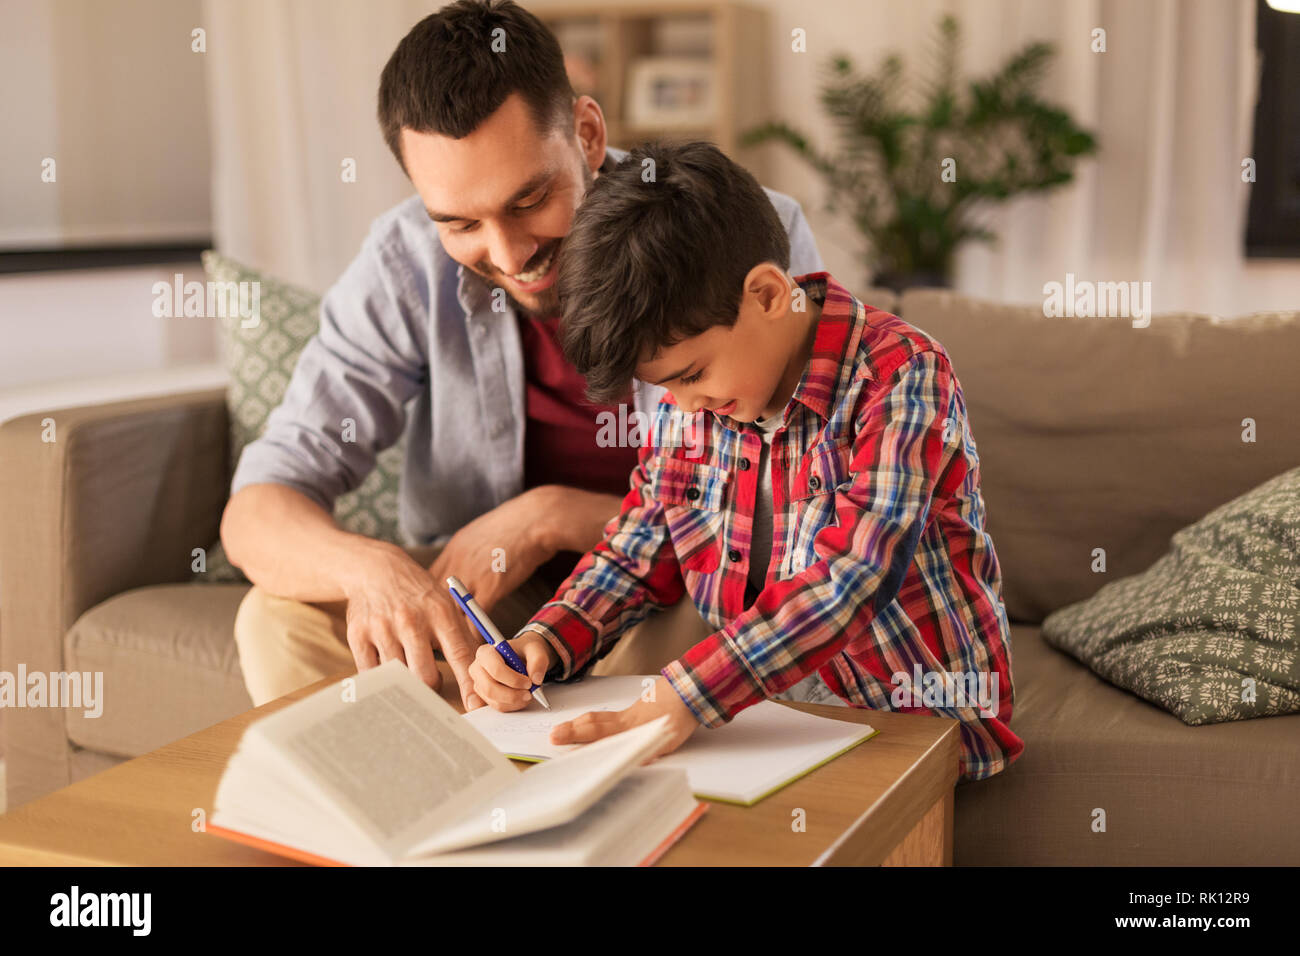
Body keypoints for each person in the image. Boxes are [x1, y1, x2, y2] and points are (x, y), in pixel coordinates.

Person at [221, 0, 824, 710]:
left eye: (529, 199)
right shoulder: (403, 262)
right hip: (496, 601)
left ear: (588, 135)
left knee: (704, 612)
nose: (509, 255)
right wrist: (374, 570)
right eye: (460, 223)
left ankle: (572, 757)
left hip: (672, 582)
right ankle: (451, 775)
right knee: (274, 620)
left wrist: (552, 518)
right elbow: (260, 504)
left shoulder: (740, 229)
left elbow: (789, 519)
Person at [469, 141, 1024, 782]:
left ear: (765, 294)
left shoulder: (902, 373)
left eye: (691, 375)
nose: (682, 405)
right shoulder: (690, 406)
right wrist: (545, 640)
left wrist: (689, 695)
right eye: (665, 387)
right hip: (763, 712)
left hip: (917, 717)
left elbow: (853, 574)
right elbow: (636, 551)